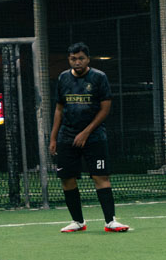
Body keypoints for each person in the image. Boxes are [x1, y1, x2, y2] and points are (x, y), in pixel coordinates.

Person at [48, 41, 131, 233]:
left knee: (100, 176)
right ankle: (78, 222)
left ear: (88, 59)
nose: (77, 62)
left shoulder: (99, 78)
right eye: (73, 58)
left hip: (95, 138)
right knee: (67, 179)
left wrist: (86, 132)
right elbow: (59, 109)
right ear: (69, 59)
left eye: (81, 58)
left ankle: (110, 221)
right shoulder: (62, 78)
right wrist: (53, 138)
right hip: (67, 137)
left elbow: (105, 108)